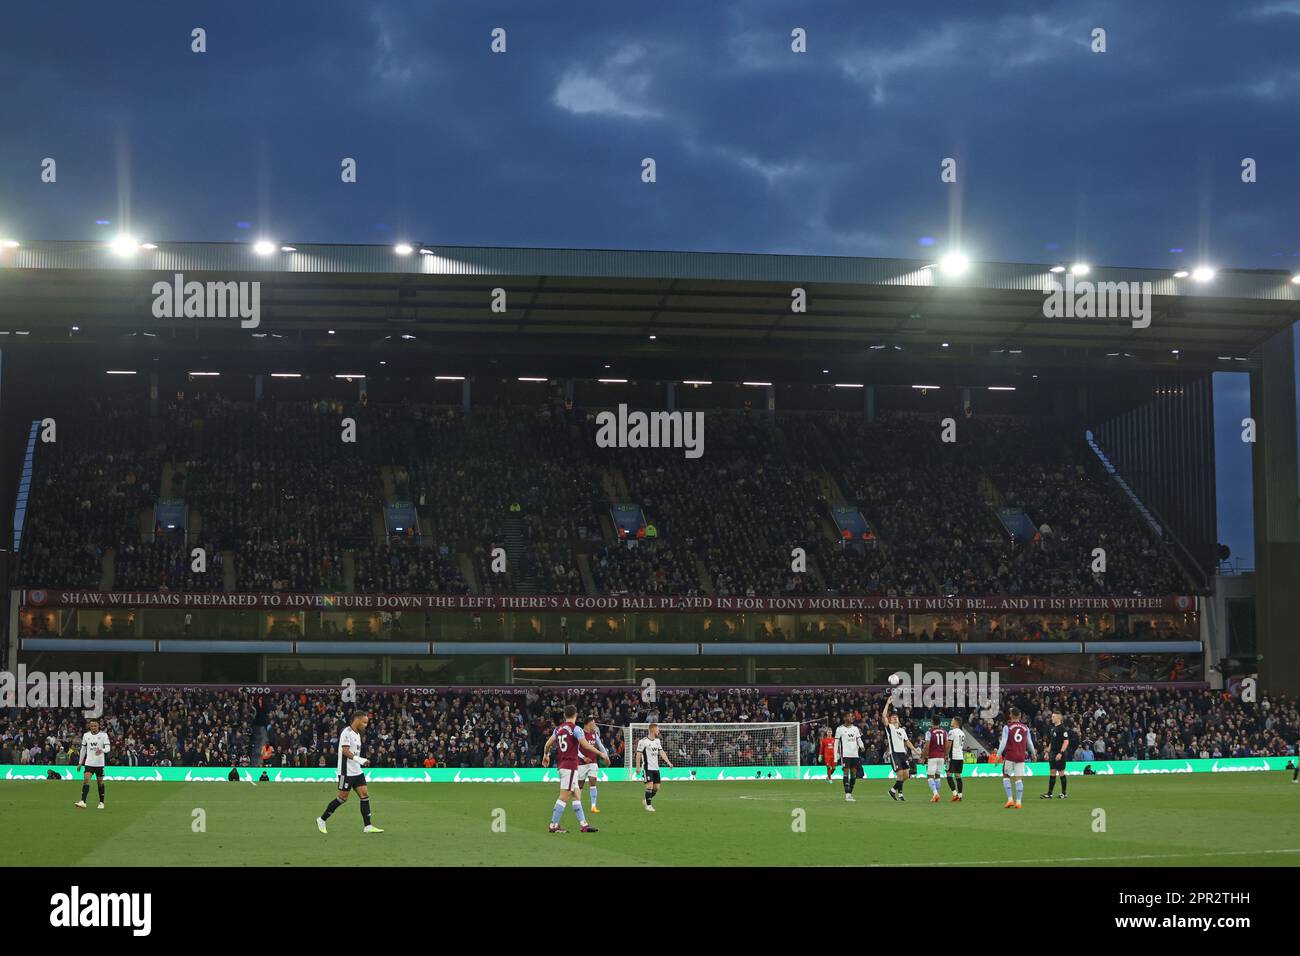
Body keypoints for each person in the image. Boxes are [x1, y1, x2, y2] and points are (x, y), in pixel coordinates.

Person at [317, 711, 384, 834]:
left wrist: (360, 761)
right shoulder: (346, 733)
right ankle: (322, 819)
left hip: (357, 770)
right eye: (364, 722)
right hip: (346, 771)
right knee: (342, 798)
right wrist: (360, 760)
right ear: (357, 720)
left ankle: (368, 826)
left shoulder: (357, 734)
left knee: (364, 795)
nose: (365, 725)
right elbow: (346, 752)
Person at [541, 704, 602, 833]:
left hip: (563, 765)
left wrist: (546, 755)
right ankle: (553, 825)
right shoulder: (576, 729)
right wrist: (600, 753)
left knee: (577, 794)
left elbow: (547, 744)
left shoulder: (558, 729)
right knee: (564, 796)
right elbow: (585, 744)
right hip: (569, 766)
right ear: (576, 715)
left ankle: (584, 825)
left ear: (564, 715)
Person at [997, 707, 1037, 809]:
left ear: (1010, 715)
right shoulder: (1026, 728)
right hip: (1021, 756)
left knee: (1006, 776)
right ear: (1019, 716)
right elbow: (1029, 742)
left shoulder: (1007, 727)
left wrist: (998, 755)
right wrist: (1033, 753)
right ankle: (1018, 802)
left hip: (1010, 755)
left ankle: (1010, 800)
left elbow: (1003, 742)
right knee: (1019, 778)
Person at [882, 697, 920, 802]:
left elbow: (907, 742)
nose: (894, 718)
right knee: (899, 774)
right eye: (892, 717)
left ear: (898, 720)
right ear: (890, 720)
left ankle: (893, 790)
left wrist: (916, 751)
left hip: (903, 754)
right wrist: (887, 703)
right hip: (894, 754)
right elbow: (883, 716)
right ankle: (900, 794)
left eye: (895, 717)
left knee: (906, 775)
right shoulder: (889, 727)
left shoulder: (902, 731)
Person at [635, 722, 673, 812]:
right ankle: (648, 806)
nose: (658, 730)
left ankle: (647, 800)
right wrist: (637, 766)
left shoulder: (657, 741)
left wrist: (668, 762)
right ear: (652, 729)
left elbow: (661, 752)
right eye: (657, 729)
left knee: (657, 788)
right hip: (647, 768)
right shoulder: (643, 741)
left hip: (656, 768)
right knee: (650, 786)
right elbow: (638, 754)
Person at [75, 718, 111, 810]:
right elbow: (83, 749)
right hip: (89, 763)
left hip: (99, 763)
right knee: (86, 780)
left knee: (100, 783)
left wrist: (101, 750)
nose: (93, 727)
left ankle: (101, 802)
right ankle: (83, 801)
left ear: (98, 726)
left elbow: (108, 748)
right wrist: (80, 763)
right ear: (89, 726)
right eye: (92, 726)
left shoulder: (104, 735)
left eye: (95, 726)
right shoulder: (86, 735)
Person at [577, 716, 610, 814]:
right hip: (581, 762)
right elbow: (576, 749)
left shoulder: (595, 734)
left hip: (593, 762)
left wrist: (606, 757)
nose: (595, 725)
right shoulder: (580, 734)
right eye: (594, 723)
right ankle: (577, 804)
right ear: (588, 723)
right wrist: (583, 757)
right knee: (580, 785)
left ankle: (593, 806)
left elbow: (600, 746)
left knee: (593, 781)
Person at [834, 712, 864, 803]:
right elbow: (836, 743)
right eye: (849, 716)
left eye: (852, 716)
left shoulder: (855, 729)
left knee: (854, 774)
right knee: (846, 772)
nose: (851, 717)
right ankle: (847, 794)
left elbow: (859, 739)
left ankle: (850, 793)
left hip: (855, 754)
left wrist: (861, 746)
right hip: (845, 754)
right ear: (844, 718)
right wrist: (835, 756)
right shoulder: (840, 729)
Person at [1042, 711, 1071, 799]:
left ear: (1058, 718)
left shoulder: (1063, 728)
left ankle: (1064, 793)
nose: (1052, 718)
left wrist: (1061, 753)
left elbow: (1066, 742)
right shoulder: (1052, 728)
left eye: (1054, 716)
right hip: (1052, 753)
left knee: (1061, 772)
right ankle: (1050, 794)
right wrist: (1047, 752)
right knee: (1052, 772)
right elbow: (1051, 742)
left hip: (1059, 753)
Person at [945, 716, 967, 802]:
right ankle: (960, 795)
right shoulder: (962, 733)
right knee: (958, 775)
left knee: (949, 775)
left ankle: (955, 794)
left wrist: (946, 755)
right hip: (960, 756)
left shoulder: (952, 732)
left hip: (953, 756)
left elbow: (949, 744)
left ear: (956, 723)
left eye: (952, 720)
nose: (951, 721)